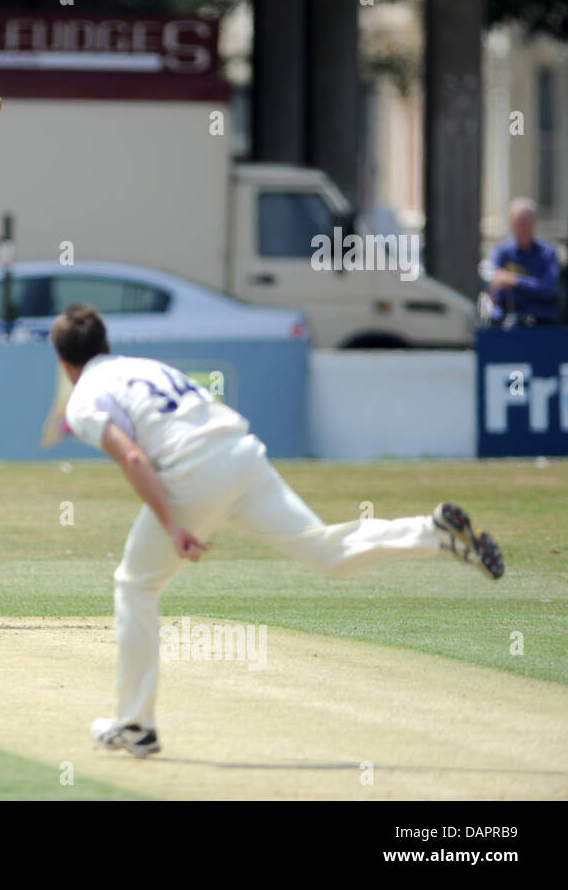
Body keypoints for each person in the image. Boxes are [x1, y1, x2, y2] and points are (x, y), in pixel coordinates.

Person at [50, 303, 503, 757]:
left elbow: (132, 458)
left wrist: (173, 525)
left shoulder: (85, 395)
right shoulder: (141, 365)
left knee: (134, 587)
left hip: (193, 471)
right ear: (105, 344)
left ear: (66, 363)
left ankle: (134, 724)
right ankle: (433, 531)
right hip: (241, 453)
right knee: (328, 552)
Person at [481, 198, 561, 326]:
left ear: (534, 224)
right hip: (510, 324)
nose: (524, 228)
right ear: (512, 225)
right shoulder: (502, 252)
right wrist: (532, 287)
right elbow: (497, 289)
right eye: (519, 223)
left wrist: (514, 280)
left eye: (527, 223)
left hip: (543, 323)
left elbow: (549, 289)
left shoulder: (547, 253)